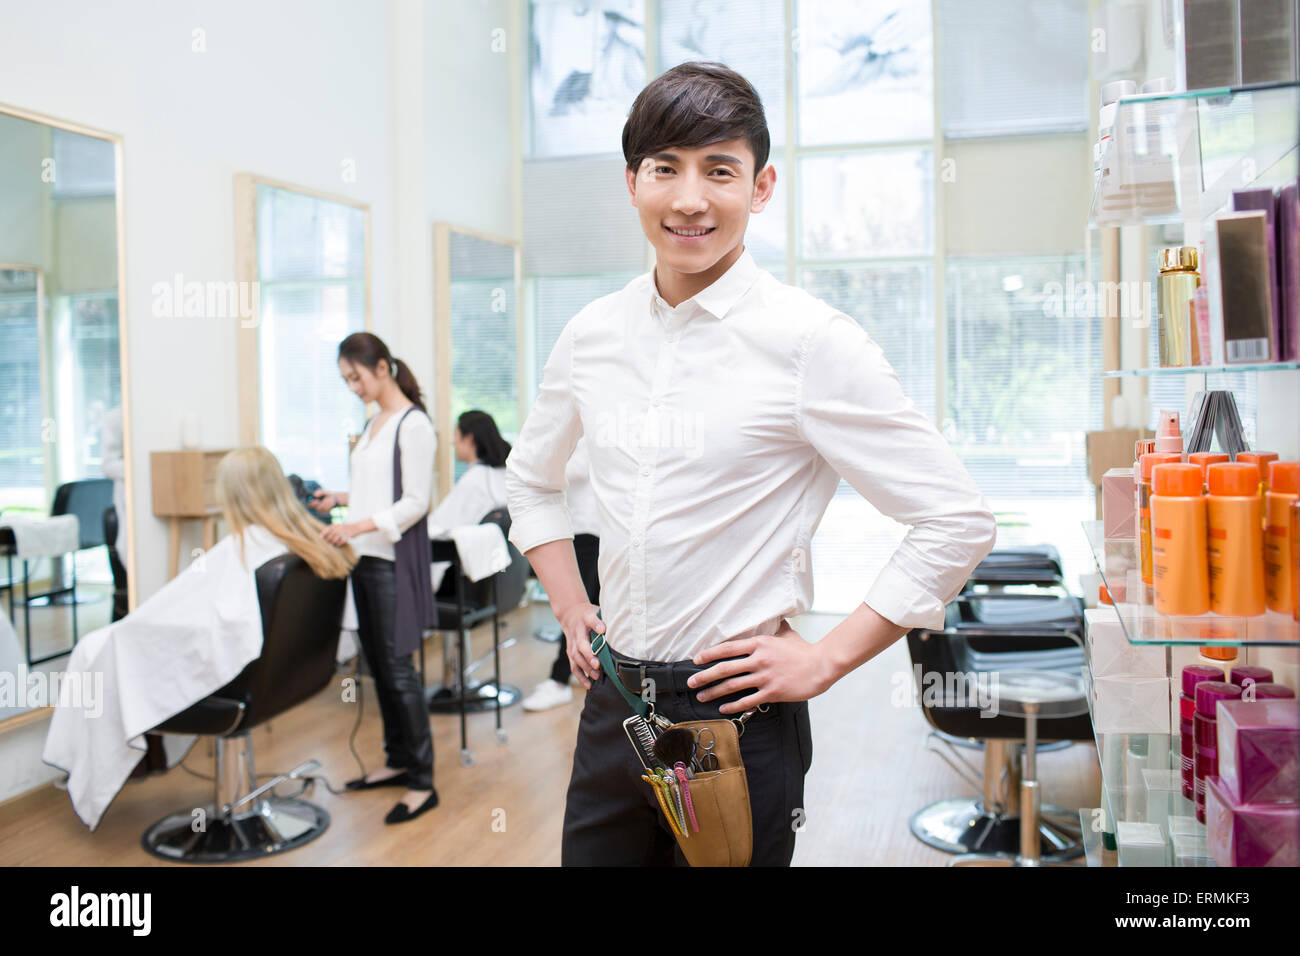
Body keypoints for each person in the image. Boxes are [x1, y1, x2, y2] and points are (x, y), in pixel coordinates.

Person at [505, 62, 998, 866]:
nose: (689, 198)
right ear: (632, 183)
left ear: (761, 187)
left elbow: (955, 518)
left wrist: (828, 657)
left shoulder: (809, 341)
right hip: (615, 702)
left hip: (728, 712)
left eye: (719, 170)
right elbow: (531, 479)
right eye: (665, 168)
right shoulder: (592, 334)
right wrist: (570, 606)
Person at [43, 445, 355, 829]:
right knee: (107, 652)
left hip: (244, 689)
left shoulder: (244, 550)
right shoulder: (310, 543)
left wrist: (124, 635)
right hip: (290, 679)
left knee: (97, 651)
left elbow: (203, 625)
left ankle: (83, 769)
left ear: (233, 496)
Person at [310, 332, 438, 825]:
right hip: (363, 559)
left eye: (356, 376)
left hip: (389, 562)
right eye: (346, 380)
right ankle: (397, 761)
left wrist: (355, 525)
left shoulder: (414, 425)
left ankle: (423, 782)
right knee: (379, 669)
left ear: (382, 367)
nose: (353, 386)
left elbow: (414, 502)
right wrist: (339, 499)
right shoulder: (373, 424)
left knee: (400, 669)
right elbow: (374, 492)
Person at [521, 438, 598, 712]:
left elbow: (575, 471)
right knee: (587, 609)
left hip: (590, 528)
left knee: (579, 612)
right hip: (577, 526)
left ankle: (559, 680)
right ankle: (582, 669)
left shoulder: (588, 428)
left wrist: (544, 462)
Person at [427, 410, 510, 540]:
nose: (453, 443)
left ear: (469, 438)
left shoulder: (475, 479)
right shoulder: (503, 474)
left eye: (456, 436)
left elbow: (440, 526)